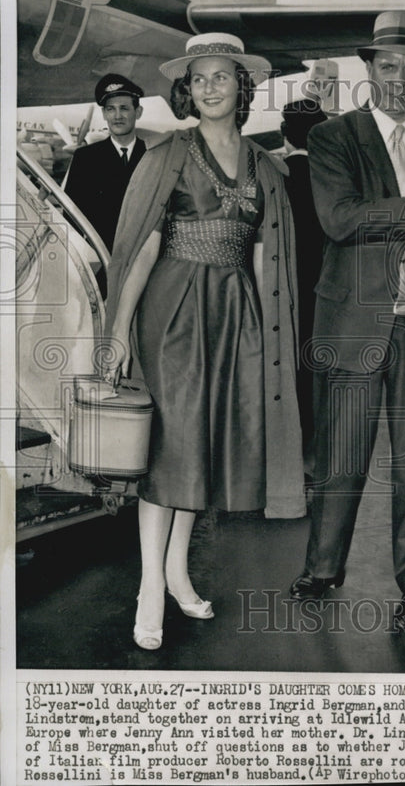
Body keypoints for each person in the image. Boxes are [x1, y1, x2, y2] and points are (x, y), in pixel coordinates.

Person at [103, 34, 305, 650]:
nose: (212, 86)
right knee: (171, 449)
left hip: (236, 316)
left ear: (242, 88)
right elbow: (141, 249)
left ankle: (176, 570)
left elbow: (270, 262)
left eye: (224, 77)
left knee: (205, 447)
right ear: (186, 90)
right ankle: (148, 588)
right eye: (201, 78)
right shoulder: (168, 154)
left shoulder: (267, 166)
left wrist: (273, 343)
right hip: (173, 312)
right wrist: (116, 333)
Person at [289, 11, 405, 631]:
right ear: (369, 70)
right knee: (341, 456)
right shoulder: (332, 137)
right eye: (387, 66)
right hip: (351, 323)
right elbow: (340, 220)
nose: (399, 78)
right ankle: (322, 568)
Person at [280, 99, 328, 468]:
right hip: (322, 289)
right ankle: (311, 454)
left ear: (284, 136)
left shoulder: (277, 176)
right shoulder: (331, 179)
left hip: (281, 287)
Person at [64, 74, 146, 252]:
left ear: (138, 112)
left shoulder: (153, 155)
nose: (117, 116)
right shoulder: (85, 158)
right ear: (104, 114)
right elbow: (71, 216)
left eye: (124, 108)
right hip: (101, 256)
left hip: (145, 258)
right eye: (110, 109)